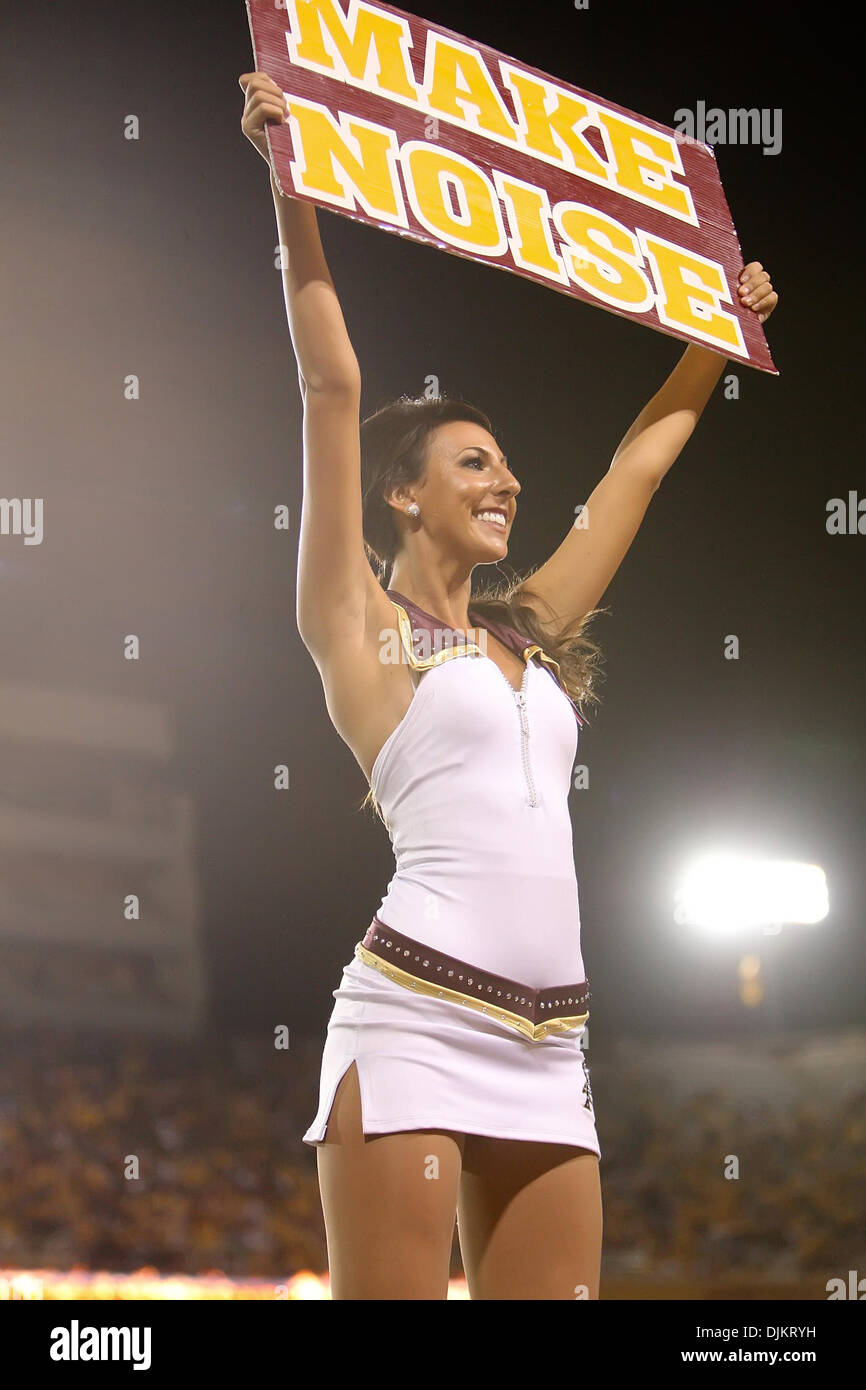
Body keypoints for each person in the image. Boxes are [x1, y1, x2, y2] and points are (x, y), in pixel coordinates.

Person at [239, 70, 778, 1300]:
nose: (506, 481)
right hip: (413, 1020)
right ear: (401, 493)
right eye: (472, 463)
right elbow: (331, 387)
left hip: (553, 1045)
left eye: (506, 466)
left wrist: (717, 333)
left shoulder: (529, 631)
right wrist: (290, 182)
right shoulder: (359, 629)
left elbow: (633, 470)